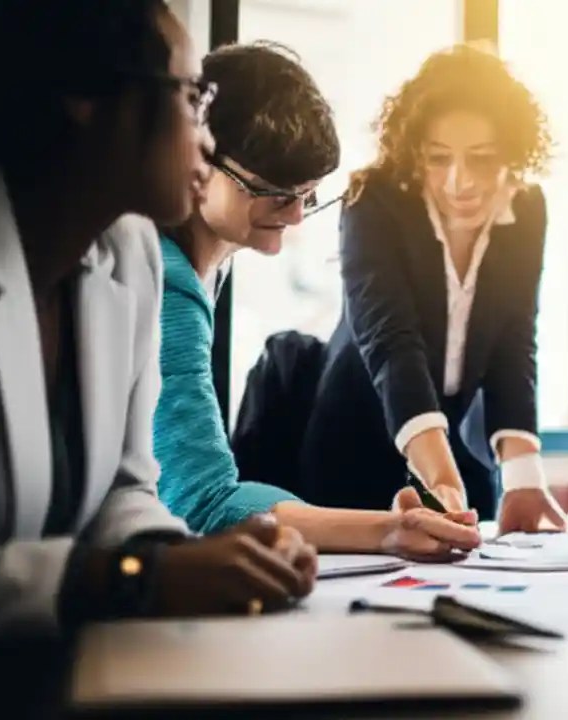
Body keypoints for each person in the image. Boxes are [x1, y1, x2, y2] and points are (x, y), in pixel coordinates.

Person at [0, 0, 317, 660]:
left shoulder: (130, 255)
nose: (209, 140)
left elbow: (124, 490)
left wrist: (187, 560)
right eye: (193, 97)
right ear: (85, 94)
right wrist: (126, 578)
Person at [154, 41, 481, 560]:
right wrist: (389, 531)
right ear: (199, 158)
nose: (297, 216)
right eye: (276, 193)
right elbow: (203, 500)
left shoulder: (201, 265)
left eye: (307, 195)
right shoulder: (167, 285)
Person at [297, 44, 566, 532]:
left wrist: (524, 476)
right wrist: (441, 480)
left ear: (514, 150)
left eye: (481, 159)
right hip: (351, 446)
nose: (459, 182)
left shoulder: (526, 210)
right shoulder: (372, 201)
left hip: (452, 451)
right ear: (415, 151)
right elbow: (389, 341)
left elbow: (514, 342)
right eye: (439, 158)